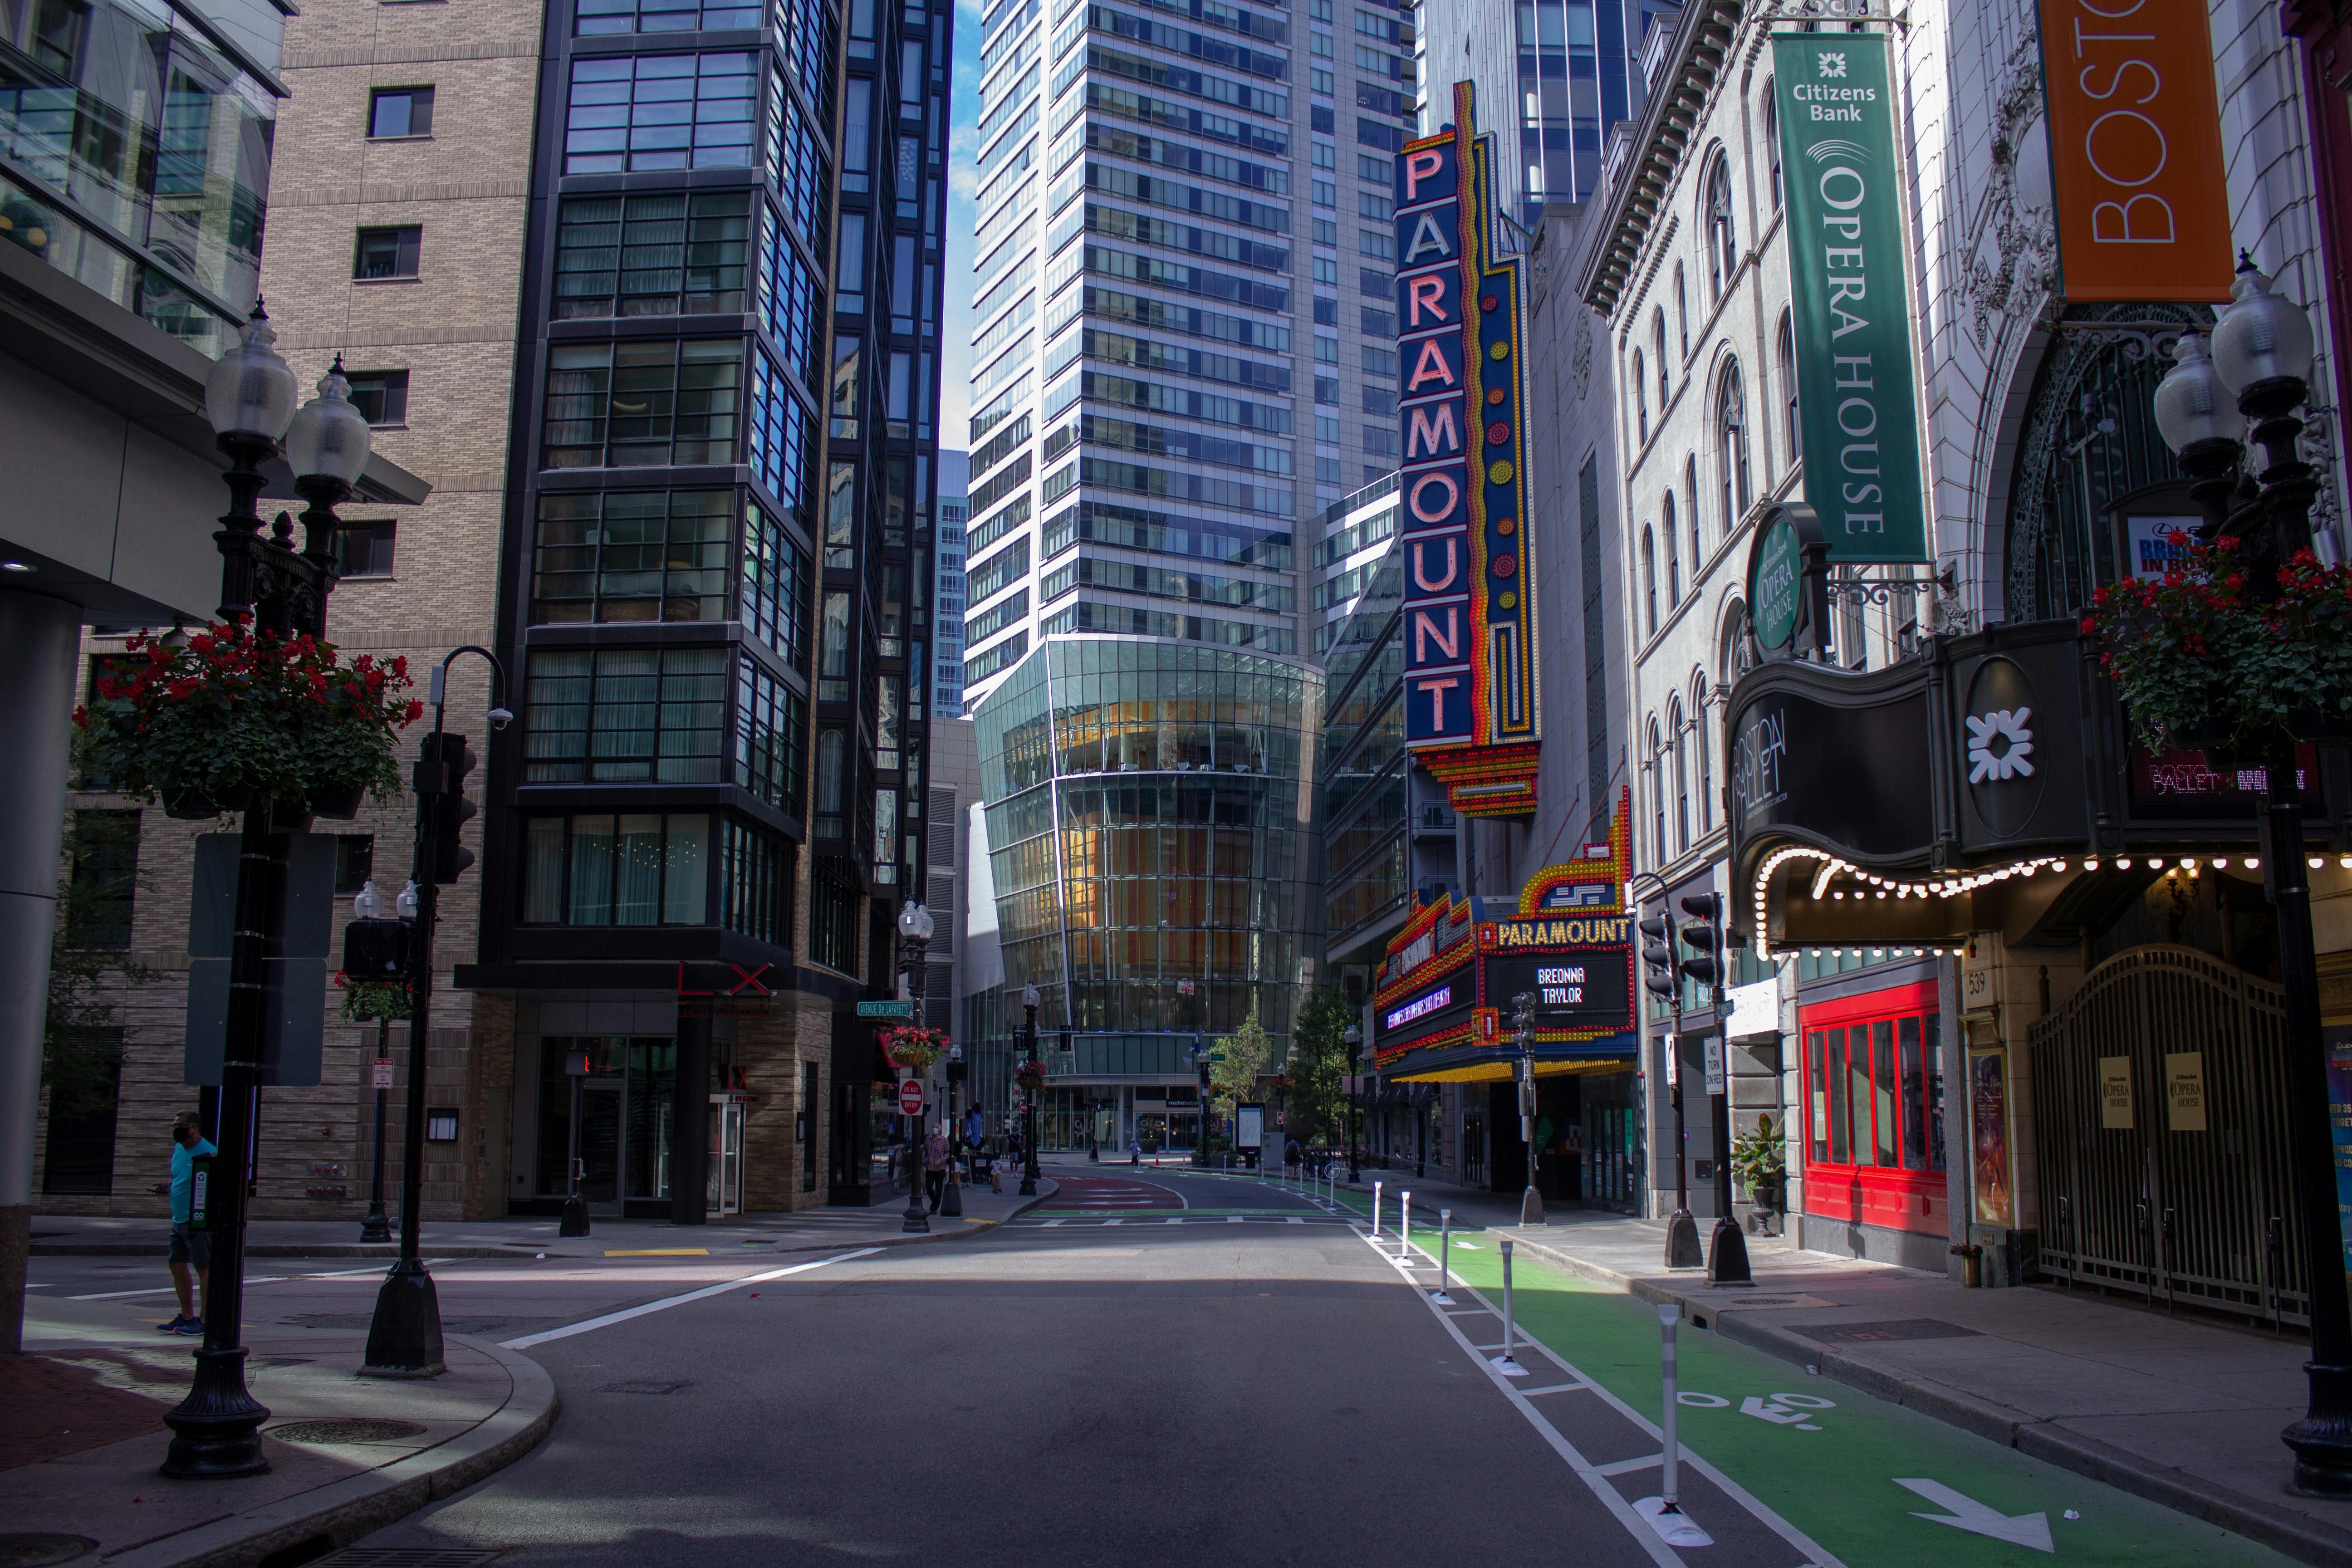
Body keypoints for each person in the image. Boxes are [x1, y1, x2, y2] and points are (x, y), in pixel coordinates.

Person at [149, 1112, 214, 1335]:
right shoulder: (179, 1149)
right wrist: (170, 1186)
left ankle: (206, 1320)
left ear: (195, 1128)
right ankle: (187, 1316)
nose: (177, 1129)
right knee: (176, 1264)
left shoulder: (208, 1152)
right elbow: (183, 1179)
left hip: (197, 1220)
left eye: (181, 1125)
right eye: (175, 1125)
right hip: (178, 1219)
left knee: (204, 1267)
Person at [922, 1126, 950, 1213]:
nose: (934, 1129)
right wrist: (924, 1157)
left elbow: (948, 1153)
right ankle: (935, 1201)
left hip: (940, 1168)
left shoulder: (944, 1140)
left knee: (939, 1188)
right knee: (928, 1186)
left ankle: (935, 1208)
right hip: (930, 1167)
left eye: (936, 1127)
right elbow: (924, 1149)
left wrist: (940, 1160)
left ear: (940, 1130)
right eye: (933, 1127)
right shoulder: (928, 1139)